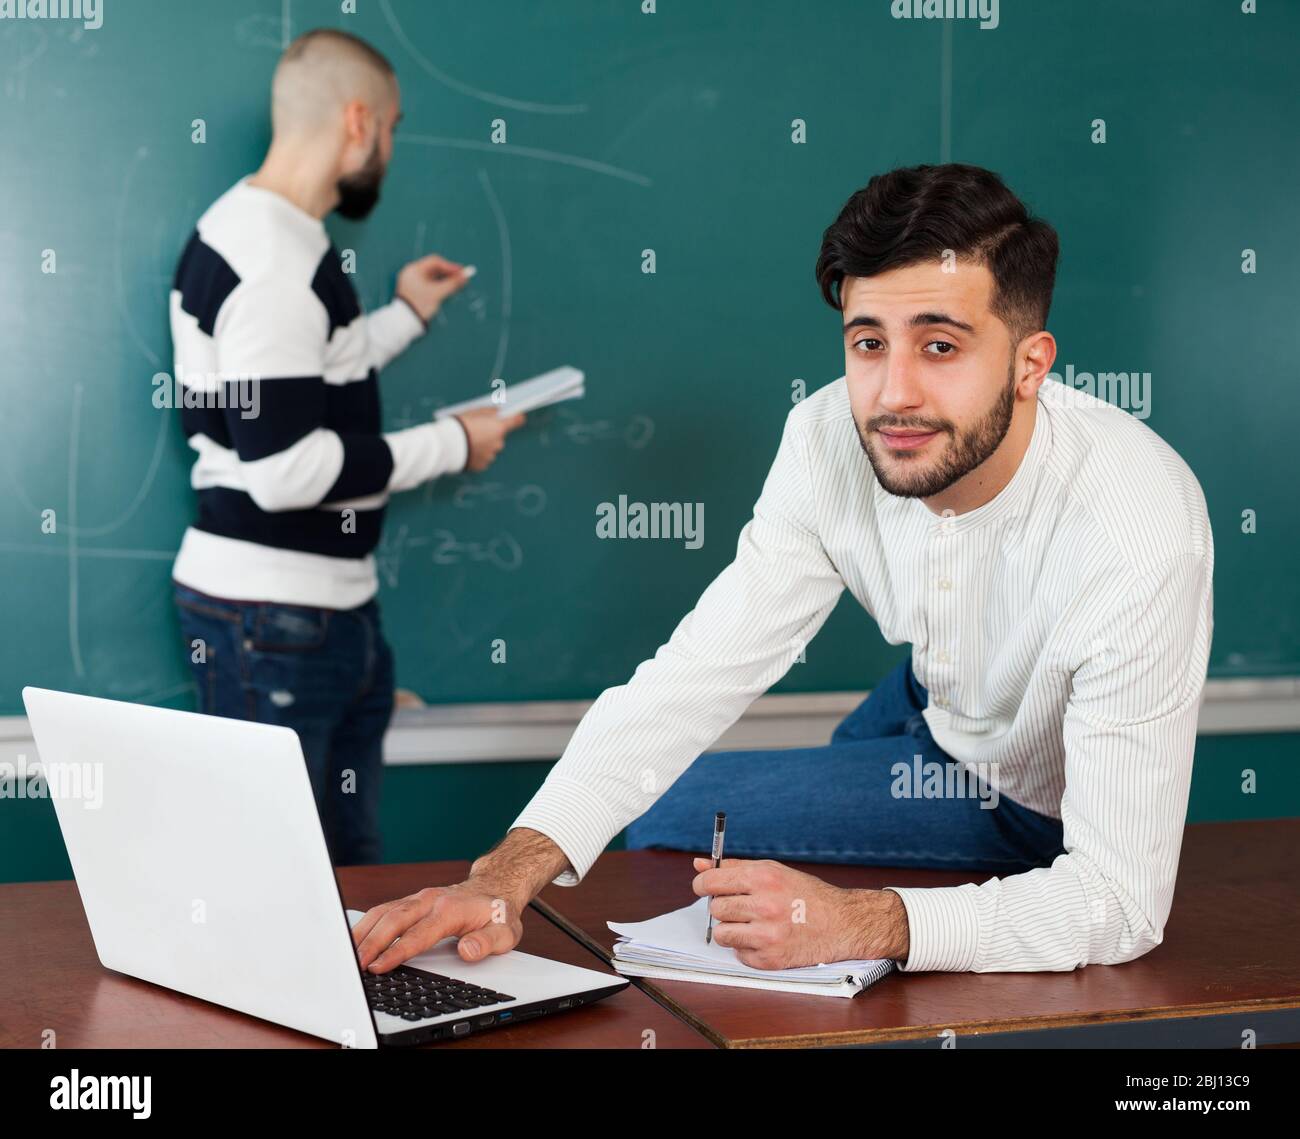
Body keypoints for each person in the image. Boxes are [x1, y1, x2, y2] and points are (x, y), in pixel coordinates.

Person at [352, 163, 1213, 975]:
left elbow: (1121, 902)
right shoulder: (826, 435)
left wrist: (867, 920)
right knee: (682, 811)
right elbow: (693, 676)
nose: (893, 394)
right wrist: (503, 873)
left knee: (680, 820)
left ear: (1031, 364)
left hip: (1026, 787)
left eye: (941, 346)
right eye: (869, 341)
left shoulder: (1138, 533)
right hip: (930, 694)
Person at [169, 29, 523, 865]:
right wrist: (451, 443)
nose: (390, 150)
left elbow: (308, 370)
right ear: (359, 123)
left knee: (343, 867)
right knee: (281, 878)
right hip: (275, 619)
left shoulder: (272, 234)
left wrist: (406, 315)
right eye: (394, 128)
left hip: (312, 612)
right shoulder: (271, 265)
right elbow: (287, 469)